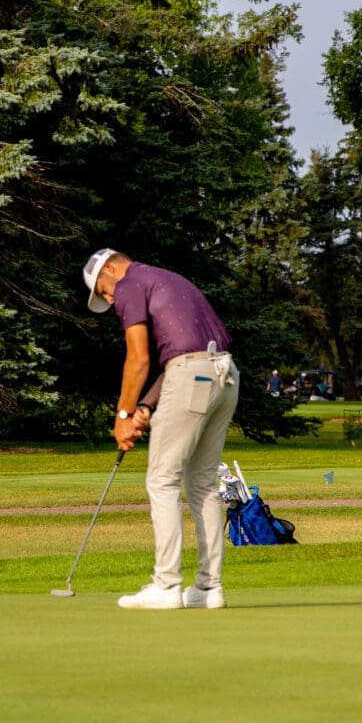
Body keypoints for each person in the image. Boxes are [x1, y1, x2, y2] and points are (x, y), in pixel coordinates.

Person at [83, 249, 241, 611]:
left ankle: (167, 585)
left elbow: (139, 359)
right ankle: (208, 588)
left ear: (110, 268)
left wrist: (122, 414)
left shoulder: (128, 283)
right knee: (201, 483)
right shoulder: (167, 277)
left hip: (194, 375)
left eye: (103, 290)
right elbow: (184, 355)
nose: (109, 298)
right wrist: (145, 406)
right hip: (226, 376)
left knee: (161, 479)